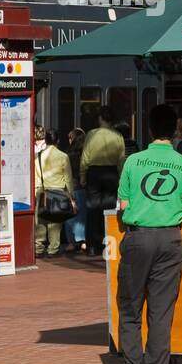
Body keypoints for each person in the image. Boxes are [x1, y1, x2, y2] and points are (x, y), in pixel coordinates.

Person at [111, 103, 182, 364]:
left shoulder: (133, 161)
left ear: (150, 129)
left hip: (138, 238)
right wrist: (179, 203)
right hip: (170, 239)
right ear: (174, 131)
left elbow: (124, 205)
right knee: (161, 310)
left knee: (129, 307)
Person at [81, 107, 126, 258]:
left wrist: (82, 176)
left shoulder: (91, 134)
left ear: (100, 118)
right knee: (109, 209)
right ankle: (108, 244)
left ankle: (92, 246)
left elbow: (85, 158)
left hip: (94, 173)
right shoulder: (118, 135)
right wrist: (121, 178)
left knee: (92, 209)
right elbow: (121, 159)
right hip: (112, 173)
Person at [33, 126, 74, 258]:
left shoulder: (38, 156)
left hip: (41, 190)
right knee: (55, 223)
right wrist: (70, 194)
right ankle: (53, 249)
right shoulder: (63, 156)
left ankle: (38, 248)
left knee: (41, 221)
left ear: (46, 139)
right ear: (57, 141)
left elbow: (35, 176)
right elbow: (68, 177)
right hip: (58, 191)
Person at [63, 127, 87, 253]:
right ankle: (83, 241)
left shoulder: (67, 155)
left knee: (71, 215)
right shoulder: (85, 153)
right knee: (83, 215)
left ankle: (72, 242)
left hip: (71, 186)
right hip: (84, 187)